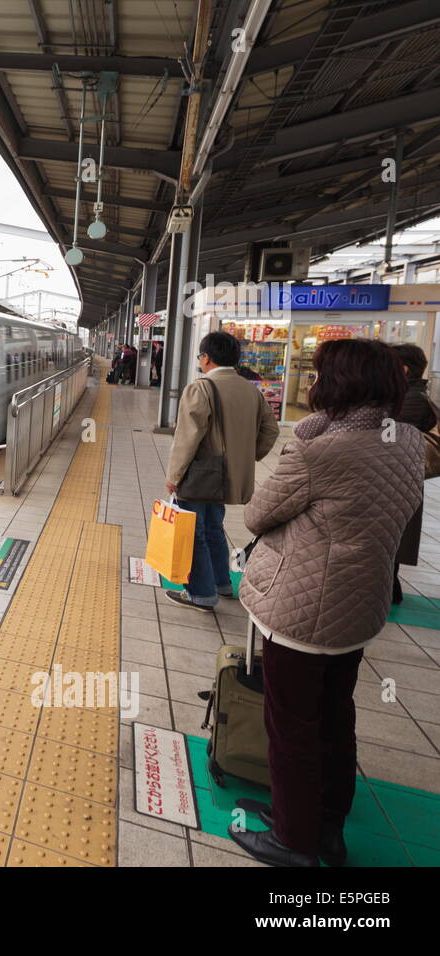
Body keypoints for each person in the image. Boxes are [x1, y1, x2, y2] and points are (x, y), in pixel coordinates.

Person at [230, 338, 424, 867]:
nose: (312, 385)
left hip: (303, 610)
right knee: (336, 715)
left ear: (340, 385)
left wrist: (307, 447)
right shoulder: (406, 440)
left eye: (319, 376)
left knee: (291, 726)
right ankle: (327, 827)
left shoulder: (320, 452)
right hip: (361, 605)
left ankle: (294, 840)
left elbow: (256, 515)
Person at [164, 331, 279, 611]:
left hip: (201, 475)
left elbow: (187, 438)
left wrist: (174, 475)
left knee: (194, 533)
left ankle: (201, 594)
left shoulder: (200, 388)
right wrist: (248, 456)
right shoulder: (250, 389)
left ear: (206, 358)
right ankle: (222, 583)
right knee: (214, 528)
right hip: (230, 477)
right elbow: (271, 430)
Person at [390, 344, 435, 604]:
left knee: (394, 541)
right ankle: (390, 587)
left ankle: (389, 590)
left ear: (403, 369)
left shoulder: (409, 400)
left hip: (398, 482)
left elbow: (389, 441)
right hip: (401, 481)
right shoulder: (410, 396)